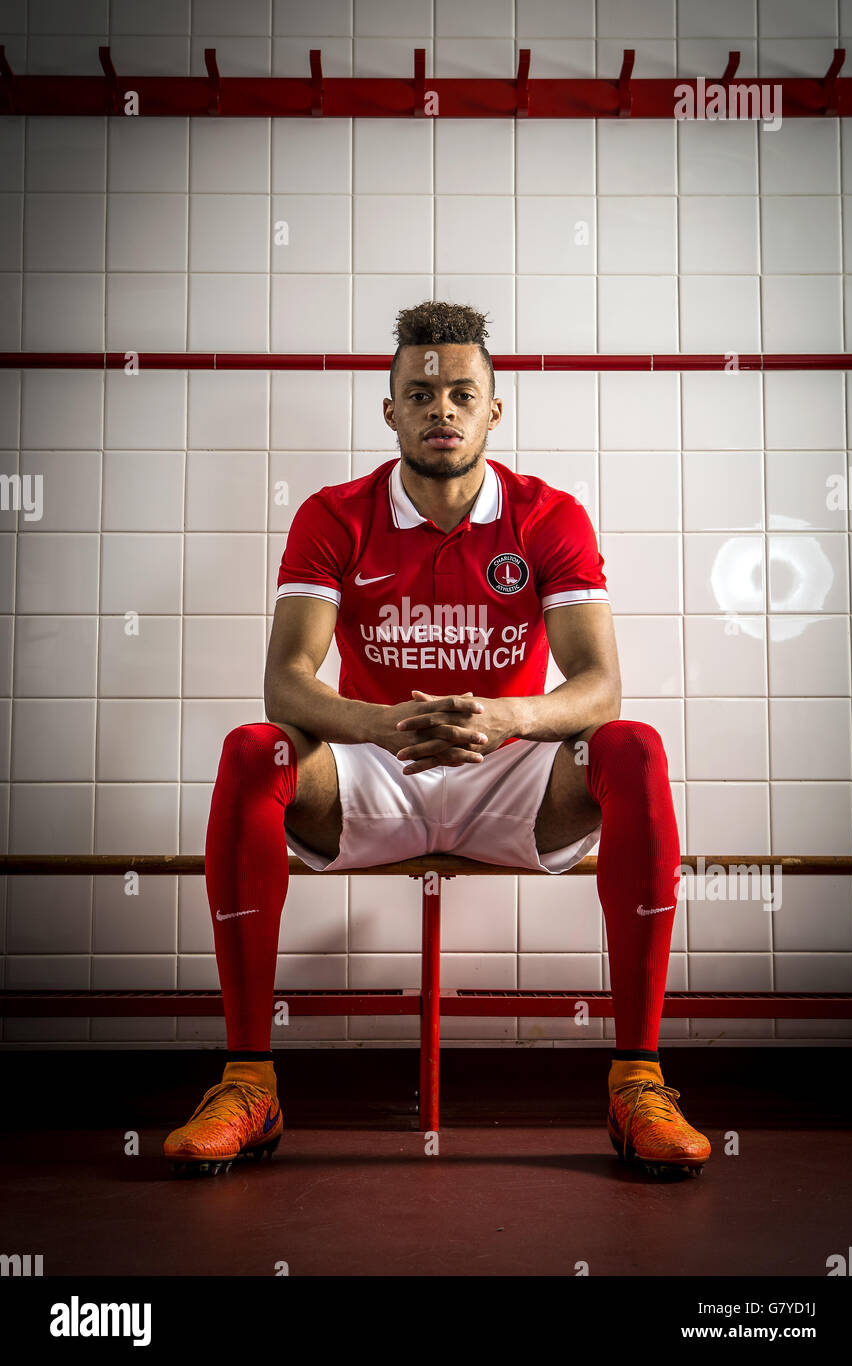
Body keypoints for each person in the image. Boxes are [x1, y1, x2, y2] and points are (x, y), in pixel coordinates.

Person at [165, 300, 710, 1179]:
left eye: (462, 392)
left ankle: (638, 1081)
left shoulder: (548, 516)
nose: (441, 409)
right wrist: (385, 723)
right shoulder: (334, 515)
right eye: (419, 393)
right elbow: (287, 682)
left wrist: (506, 716)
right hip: (373, 772)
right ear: (391, 411)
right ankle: (249, 1081)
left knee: (634, 747)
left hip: (509, 777)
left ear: (494, 409)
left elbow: (600, 686)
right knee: (250, 747)